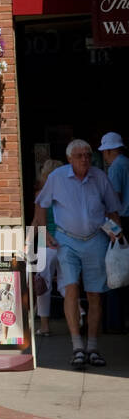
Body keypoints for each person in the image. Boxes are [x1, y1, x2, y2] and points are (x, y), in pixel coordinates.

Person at [34, 139, 124, 369]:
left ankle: (92, 347)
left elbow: (113, 209)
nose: (85, 159)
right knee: (71, 289)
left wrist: (116, 232)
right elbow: (40, 204)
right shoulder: (57, 178)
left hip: (96, 240)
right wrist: (44, 235)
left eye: (87, 154)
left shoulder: (99, 177)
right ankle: (77, 347)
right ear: (69, 159)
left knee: (95, 295)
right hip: (67, 241)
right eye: (80, 155)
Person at [30, 158, 63, 338]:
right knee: (68, 284)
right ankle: (79, 313)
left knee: (43, 286)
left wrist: (27, 242)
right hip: (66, 243)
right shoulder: (67, 192)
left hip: (45, 244)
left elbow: (36, 221)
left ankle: (44, 326)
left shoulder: (42, 194)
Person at [101, 132, 129, 333]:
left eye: (104, 151)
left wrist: (111, 229)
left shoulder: (116, 167)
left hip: (120, 221)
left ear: (110, 150)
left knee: (115, 270)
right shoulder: (127, 163)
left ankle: (115, 323)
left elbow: (114, 201)